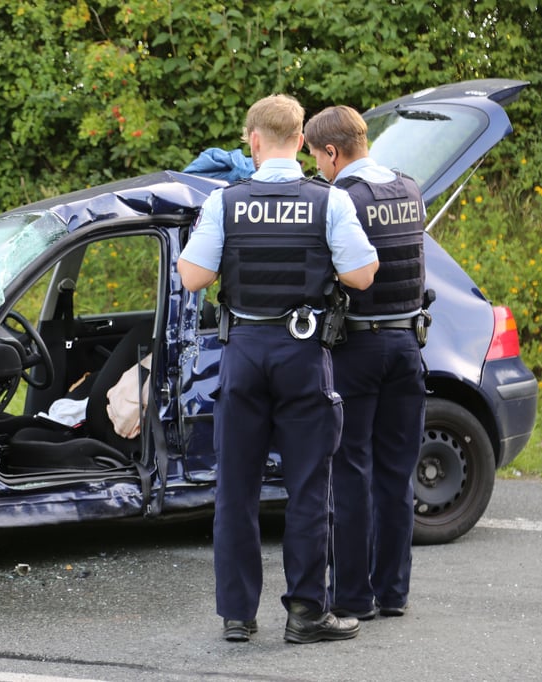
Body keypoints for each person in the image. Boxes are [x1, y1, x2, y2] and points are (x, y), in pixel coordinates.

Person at [177, 95, 379, 644]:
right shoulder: (328, 202)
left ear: (254, 141)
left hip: (243, 350)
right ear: (300, 139)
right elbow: (363, 274)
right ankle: (306, 614)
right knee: (309, 488)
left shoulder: (226, 201)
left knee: (236, 489)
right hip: (303, 353)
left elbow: (192, 277)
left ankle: (238, 617)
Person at [303, 105, 428, 621]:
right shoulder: (409, 187)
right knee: (396, 476)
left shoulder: (343, 199)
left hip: (358, 349)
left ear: (333, 152)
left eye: (316, 157)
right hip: (408, 347)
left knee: (351, 474)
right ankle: (393, 591)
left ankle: (354, 597)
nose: (317, 167)